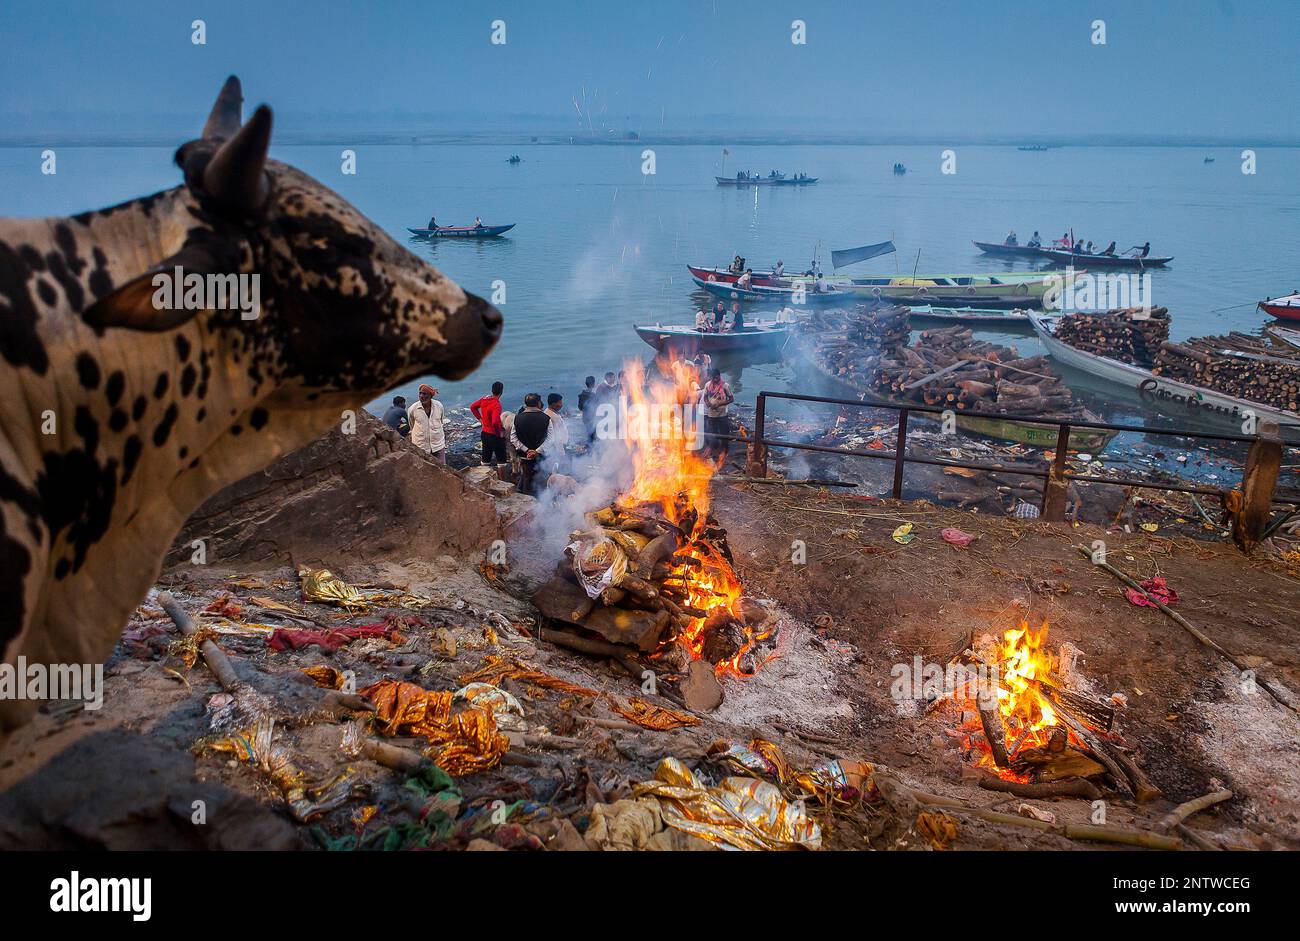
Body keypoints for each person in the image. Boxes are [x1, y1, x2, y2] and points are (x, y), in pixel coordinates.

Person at [510, 393, 551, 495]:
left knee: (527, 475)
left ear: (526, 404)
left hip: (524, 456)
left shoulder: (517, 418)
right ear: (538, 403)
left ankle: (524, 495)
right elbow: (551, 438)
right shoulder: (546, 418)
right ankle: (538, 500)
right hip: (541, 455)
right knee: (540, 477)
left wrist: (526, 450)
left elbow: (513, 438)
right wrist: (537, 451)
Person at [470, 381, 507, 469]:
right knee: (501, 462)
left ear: (492, 390)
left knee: (485, 460)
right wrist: (499, 434)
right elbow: (494, 422)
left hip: (485, 434)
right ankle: (502, 481)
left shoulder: (484, 399)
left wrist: (480, 419)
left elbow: (473, 407)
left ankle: (484, 477)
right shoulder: (497, 405)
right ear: (501, 392)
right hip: (494, 435)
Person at [406, 383, 447, 463]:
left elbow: (441, 421)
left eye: (424, 394)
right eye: (420, 393)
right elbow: (412, 425)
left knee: (443, 468)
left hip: (438, 445)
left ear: (431, 396)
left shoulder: (439, 406)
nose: (421, 396)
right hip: (421, 446)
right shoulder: (413, 409)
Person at [700, 369, 734, 462]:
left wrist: (720, 404)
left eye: (716, 377)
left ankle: (724, 451)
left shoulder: (725, 386)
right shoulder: (707, 385)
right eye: (713, 378)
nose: (715, 380)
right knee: (712, 432)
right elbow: (706, 397)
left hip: (722, 414)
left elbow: (731, 399)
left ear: (719, 376)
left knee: (724, 433)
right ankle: (713, 450)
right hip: (711, 414)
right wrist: (708, 403)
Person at [543, 393, 569, 475]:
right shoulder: (554, 417)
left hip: (549, 448)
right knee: (555, 470)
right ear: (553, 404)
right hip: (555, 449)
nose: (561, 405)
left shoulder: (545, 412)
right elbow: (558, 436)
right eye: (560, 402)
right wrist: (561, 452)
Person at [578, 375, 598, 440]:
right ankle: (591, 448)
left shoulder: (582, 395)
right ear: (593, 384)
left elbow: (580, 407)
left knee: (589, 434)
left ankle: (590, 447)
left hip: (585, 418)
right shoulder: (593, 395)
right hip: (592, 418)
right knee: (593, 436)